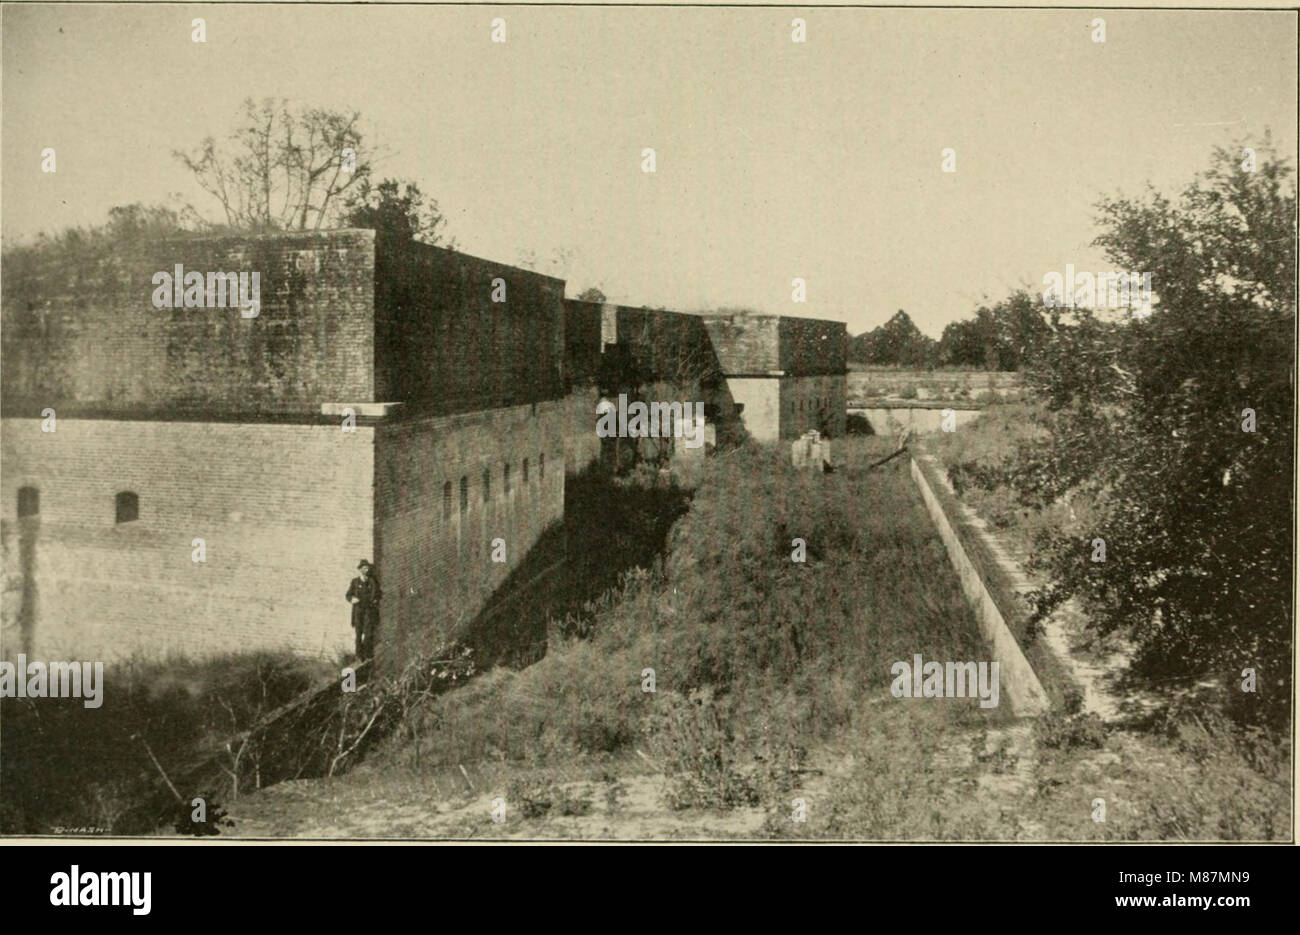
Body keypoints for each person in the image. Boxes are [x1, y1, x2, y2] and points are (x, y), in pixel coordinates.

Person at [345, 560, 381, 662]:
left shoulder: (372, 582)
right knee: (358, 633)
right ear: (360, 570)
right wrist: (352, 599)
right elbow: (348, 595)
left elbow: (378, 593)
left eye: (368, 568)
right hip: (358, 611)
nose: (367, 570)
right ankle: (359, 655)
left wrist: (375, 600)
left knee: (368, 633)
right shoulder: (355, 582)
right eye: (365, 568)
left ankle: (368, 653)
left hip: (368, 611)